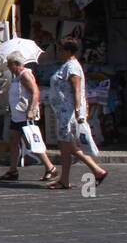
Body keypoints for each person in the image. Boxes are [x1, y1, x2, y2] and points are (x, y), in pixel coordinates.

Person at [46, 37, 109, 190]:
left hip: (68, 114)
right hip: (63, 113)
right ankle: (69, 178)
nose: (58, 53)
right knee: (67, 147)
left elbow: (77, 90)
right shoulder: (67, 65)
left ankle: (95, 171)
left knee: (68, 146)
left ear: (67, 51)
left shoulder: (72, 67)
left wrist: (77, 112)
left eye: (60, 49)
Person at [0, 52, 55, 181]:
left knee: (31, 142)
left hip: (24, 115)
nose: (8, 67)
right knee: (13, 141)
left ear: (17, 64)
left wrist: (31, 110)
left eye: (10, 64)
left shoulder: (25, 75)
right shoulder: (17, 77)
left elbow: (35, 92)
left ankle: (50, 167)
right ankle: (13, 170)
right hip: (16, 115)